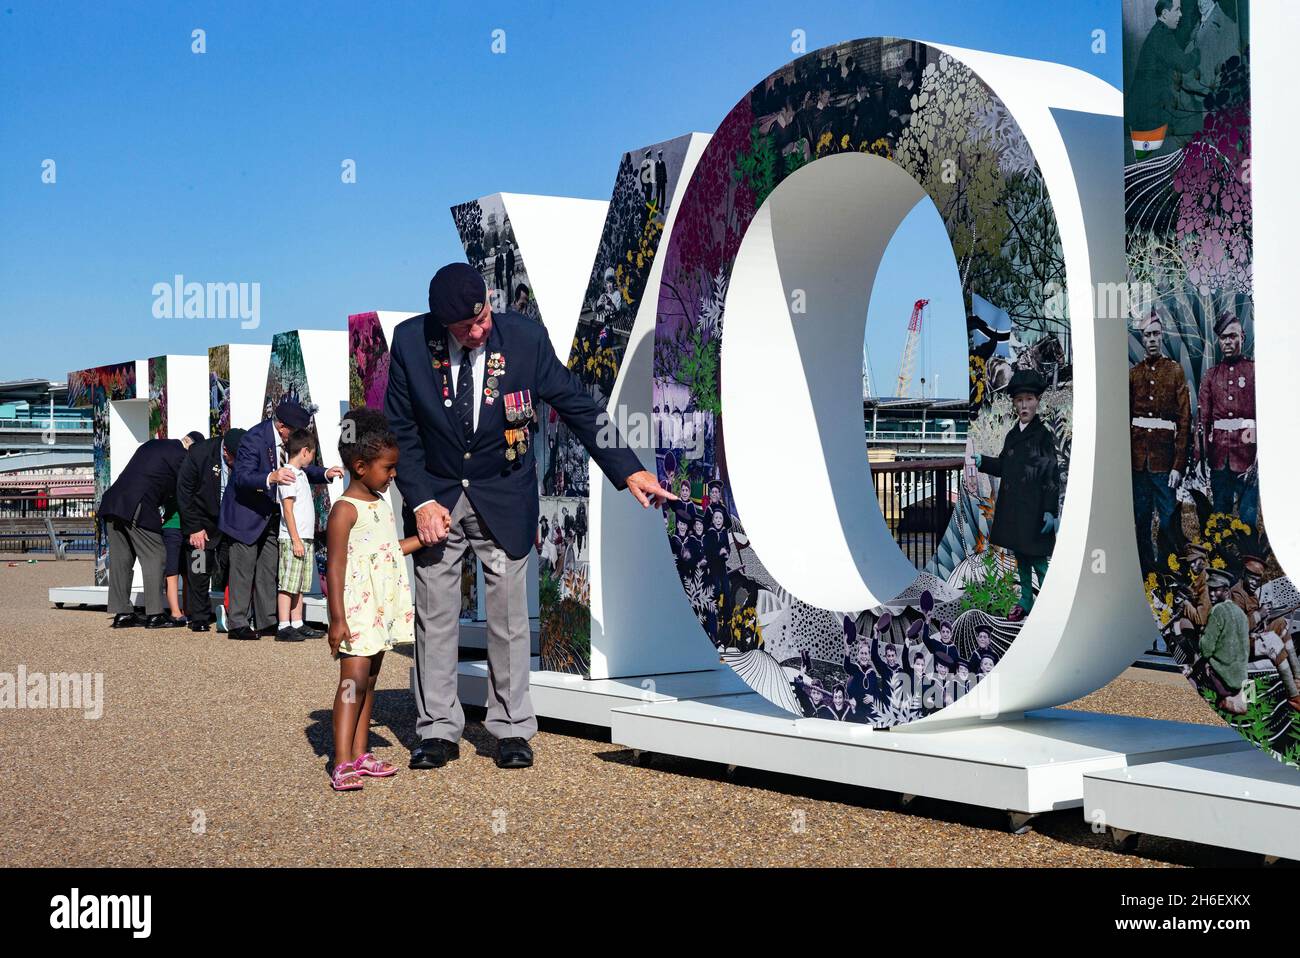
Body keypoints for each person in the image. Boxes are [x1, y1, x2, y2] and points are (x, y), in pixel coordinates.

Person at [385, 261, 676, 771]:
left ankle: (512, 728)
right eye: (465, 328)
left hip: (504, 496)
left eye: (482, 318)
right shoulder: (410, 343)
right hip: (437, 499)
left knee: (509, 620)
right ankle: (437, 730)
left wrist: (628, 469)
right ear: (440, 323)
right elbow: (401, 431)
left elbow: (577, 405)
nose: (479, 331)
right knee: (434, 618)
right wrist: (422, 501)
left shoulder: (524, 339)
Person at [324, 408, 421, 791]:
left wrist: (424, 539)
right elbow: (334, 567)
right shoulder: (343, 511)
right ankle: (341, 759)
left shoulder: (380, 504)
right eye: (388, 468)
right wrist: (336, 619)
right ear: (361, 466)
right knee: (353, 681)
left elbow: (387, 551)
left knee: (371, 682)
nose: (393, 474)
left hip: (380, 610)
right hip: (355, 611)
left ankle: (360, 753)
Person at [219, 398, 344, 642]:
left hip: (270, 517)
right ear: (282, 427)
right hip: (245, 515)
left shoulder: (286, 443)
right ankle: (238, 623)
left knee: (269, 569)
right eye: (294, 433)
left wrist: (326, 473)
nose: (294, 439)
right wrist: (271, 476)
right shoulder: (253, 439)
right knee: (243, 570)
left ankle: (269, 621)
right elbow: (242, 477)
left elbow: (301, 468)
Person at [971, 369, 1060, 621]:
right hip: (1014, 509)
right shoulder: (1012, 434)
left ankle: (1049, 603)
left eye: (1029, 399)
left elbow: (1051, 474)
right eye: (1019, 400)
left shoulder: (1042, 435)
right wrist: (981, 461)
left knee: (1039, 560)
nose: (1024, 405)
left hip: (1034, 510)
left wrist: (1050, 511)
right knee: (1021, 556)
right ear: (1014, 403)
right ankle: (1026, 600)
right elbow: (1003, 466)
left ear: (1037, 401)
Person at [98, 432, 195, 628]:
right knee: (156, 555)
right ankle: (155, 614)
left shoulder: (152, 445)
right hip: (137, 505)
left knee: (121, 561)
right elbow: (185, 489)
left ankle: (122, 613)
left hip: (112, 503)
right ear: (192, 448)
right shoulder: (180, 455)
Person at [1130, 312, 1191, 574]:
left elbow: (1185, 420)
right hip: (1138, 462)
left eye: (1156, 334)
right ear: (1142, 339)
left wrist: (1178, 465)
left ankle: (1169, 570)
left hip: (1164, 462)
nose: (1152, 339)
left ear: (1162, 336)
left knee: (1167, 519)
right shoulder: (1133, 374)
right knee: (1141, 519)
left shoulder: (1175, 371)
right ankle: (1146, 572)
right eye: (1147, 335)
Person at [178, 427, 244, 632]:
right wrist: (194, 528)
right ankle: (199, 616)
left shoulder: (245, 453)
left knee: (229, 566)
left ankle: (231, 612)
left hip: (229, 522)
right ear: (226, 453)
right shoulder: (199, 453)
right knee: (199, 568)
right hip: (201, 522)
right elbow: (184, 491)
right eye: (235, 459)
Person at [1196, 313, 1257, 534]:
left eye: (1232, 336)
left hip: (1248, 456)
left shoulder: (1254, 371)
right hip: (1219, 456)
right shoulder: (1211, 376)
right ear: (1219, 341)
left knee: (1247, 517)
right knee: (1220, 515)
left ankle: (1247, 563)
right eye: (1223, 338)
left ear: (1242, 336)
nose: (1228, 342)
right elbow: (1203, 421)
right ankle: (1222, 562)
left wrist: (1260, 459)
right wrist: (1199, 457)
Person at [1127, 0, 1199, 156]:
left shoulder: (1159, 32)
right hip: (1147, 110)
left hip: (1145, 106)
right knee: (1149, 161)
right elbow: (1184, 63)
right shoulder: (1162, 35)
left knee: (1148, 159)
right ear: (1165, 14)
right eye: (1177, 10)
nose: (1181, 14)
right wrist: (1198, 50)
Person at [275, 428, 320, 643]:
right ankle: (284, 624)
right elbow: (288, 509)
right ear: (304, 451)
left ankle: (297, 621)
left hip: (305, 538)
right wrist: (295, 539)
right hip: (293, 538)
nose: (312, 457)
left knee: (300, 582)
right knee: (288, 582)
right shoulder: (288, 475)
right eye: (312, 453)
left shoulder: (301, 475)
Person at [1192, 568, 1250, 715]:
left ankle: (1220, 703)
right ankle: (1243, 704)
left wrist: (1202, 637)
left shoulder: (1218, 610)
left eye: (1216, 590)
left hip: (1224, 677)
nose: (1211, 594)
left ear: (1226, 591)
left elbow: (1206, 649)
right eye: (1210, 589)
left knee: (1191, 674)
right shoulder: (1242, 614)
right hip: (1241, 675)